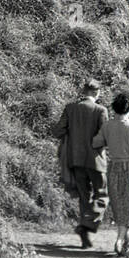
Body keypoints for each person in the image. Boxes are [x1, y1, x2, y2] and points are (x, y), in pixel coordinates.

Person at [53, 80, 108, 248]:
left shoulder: (70, 108)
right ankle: (87, 224)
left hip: (76, 159)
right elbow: (104, 136)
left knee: (84, 197)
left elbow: (57, 131)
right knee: (102, 194)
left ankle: (84, 230)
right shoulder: (101, 110)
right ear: (97, 92)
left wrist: (72, 136)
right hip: (96, 160)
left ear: (83, 91)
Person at [94, 91, 129, 256]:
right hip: (128, 169)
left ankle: (127, 240)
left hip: (112, 168)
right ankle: (119, 241)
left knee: (119, 205)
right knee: (128, 205)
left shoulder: (107, 126)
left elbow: (96, 142)